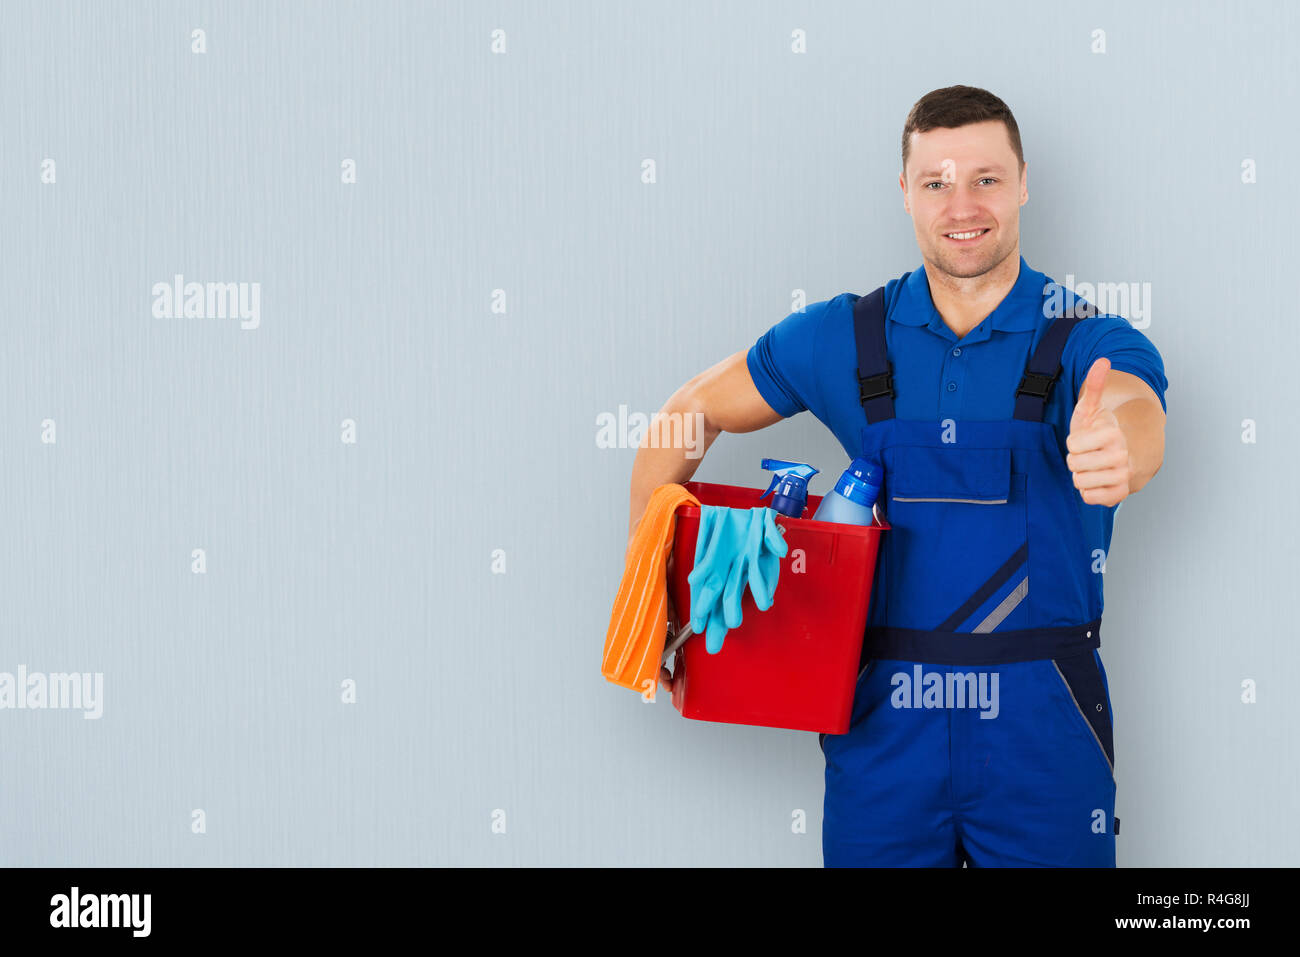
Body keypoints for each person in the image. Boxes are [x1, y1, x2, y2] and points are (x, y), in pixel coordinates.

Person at [626, 85, 1167, 866]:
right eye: (936, 181)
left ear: (1023, 182)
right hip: (882, 729)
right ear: (905, 193)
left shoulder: (1084, 335)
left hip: (1044, 730)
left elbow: (1136, 408)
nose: (962, 204)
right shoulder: (845, 337)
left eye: (986, 178)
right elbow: (690, 412)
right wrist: (651, 588)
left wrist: (1118, 444)